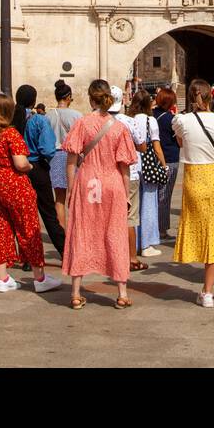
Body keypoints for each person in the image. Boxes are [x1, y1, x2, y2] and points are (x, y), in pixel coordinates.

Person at [0, 93, 63, 294]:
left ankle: (3, 278)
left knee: (1, 230)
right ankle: (40, 278)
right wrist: (30, 166)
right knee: (28, 228)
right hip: (15, 186)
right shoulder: (11, 134)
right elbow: (20, 163)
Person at [62, 79, 137, 310]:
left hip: (87, 183)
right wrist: (125, 195)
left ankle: (75, 293)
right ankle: (122, 293)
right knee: (115, 234)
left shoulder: (82, 124)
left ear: (91, 98)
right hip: (112, 184)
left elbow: (71, 162)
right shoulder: (119, 128)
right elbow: (125, 167)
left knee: (81, 233)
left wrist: (71, 189)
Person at [172, 78, 214, 307]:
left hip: (193, 180)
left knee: (205, 234)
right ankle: (207, 291)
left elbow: (182, 143)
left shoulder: (181, 121)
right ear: (212, 97)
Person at [13, 84, 66, 263]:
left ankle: (27, 258)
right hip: (37, 167)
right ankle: (65, 251)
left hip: (18, 168)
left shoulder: (13, 121)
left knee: (24, 215)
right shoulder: (39, 121)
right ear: (34, 101)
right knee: (48, 214)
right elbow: (48, 148)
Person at [110, 85, 150, 270]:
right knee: (129, 218)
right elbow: (142, 147)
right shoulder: (129, 122)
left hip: (105, 174)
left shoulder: (94, 121)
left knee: (107, 217)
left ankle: (108, 257)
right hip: (130, 173)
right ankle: (132, 258)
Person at [126, 89, 165, 258]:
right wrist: (163, 165)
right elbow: (156, 147)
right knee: (149, 204)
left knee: (133, 208)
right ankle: (147, 243)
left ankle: (132, 243)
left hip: (133, 165)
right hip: (149, 165)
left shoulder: (129, 120)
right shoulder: (151, 121)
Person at [45, 80, 82, 231]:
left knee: (59, 198)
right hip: (72, 156)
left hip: (54, 156)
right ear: (68, 98)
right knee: (75, 196)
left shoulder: (48, 116)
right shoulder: (77, 115)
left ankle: (62, 232)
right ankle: (76, 229)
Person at [151, 87, 180, 239]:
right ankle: (161, 229)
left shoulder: (151, 115)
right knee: (165, 195)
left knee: (153, 193)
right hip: (170, 158)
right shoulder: (171, 119)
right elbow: (179, 140)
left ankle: (153, 226)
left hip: (153, 158)